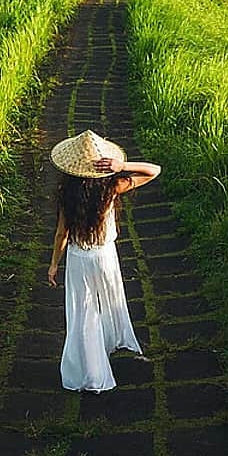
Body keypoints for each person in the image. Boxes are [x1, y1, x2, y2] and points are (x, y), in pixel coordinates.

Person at [47, 129, 161, 392]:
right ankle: (109, 346)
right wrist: (123, 166)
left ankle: (92, 370)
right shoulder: (112, 188)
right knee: (110, 302)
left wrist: (54, 264)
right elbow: (153, 170)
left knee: (83, 313)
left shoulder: (67, 196)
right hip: (104, 256)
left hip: (78, 259)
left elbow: (61, 234)